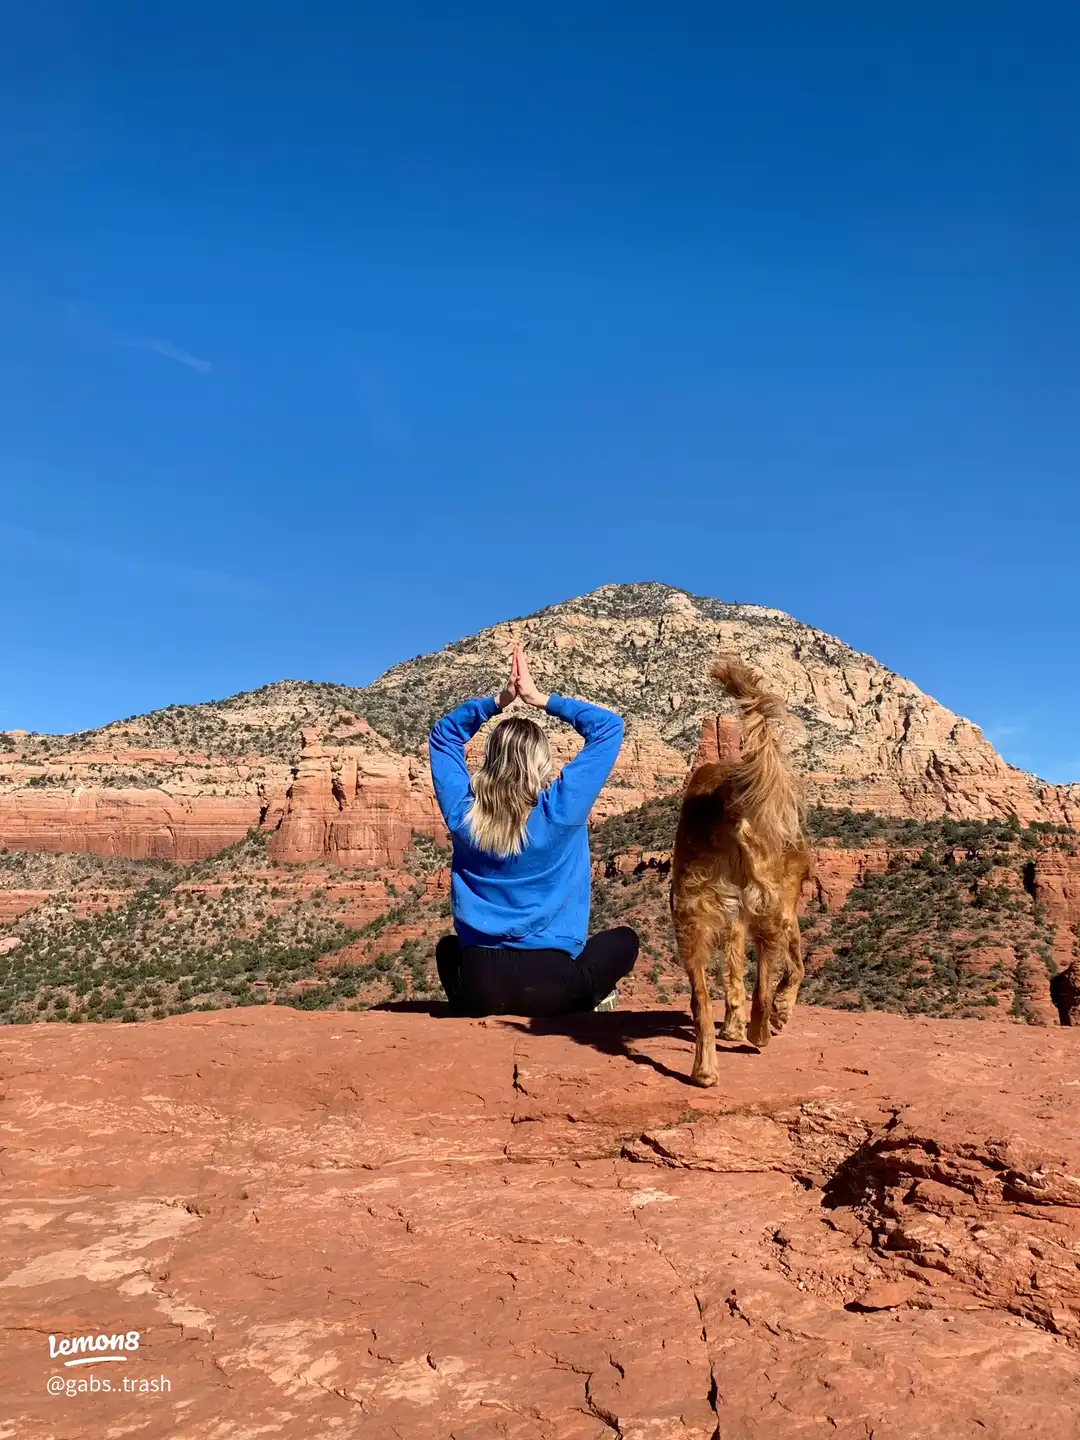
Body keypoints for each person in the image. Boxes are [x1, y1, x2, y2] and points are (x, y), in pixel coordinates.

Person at [428, 647, 639, 1017]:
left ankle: (472, 1001)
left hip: (480, 985)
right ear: (541, 764)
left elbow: (443, 736)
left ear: (491, 761)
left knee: (448, 949)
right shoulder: (560, 810)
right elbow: (608, 728)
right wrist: (540, 699)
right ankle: (591, 999)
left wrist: (497, 702)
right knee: (625, 940)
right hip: (553, 987)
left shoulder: (464, 815)